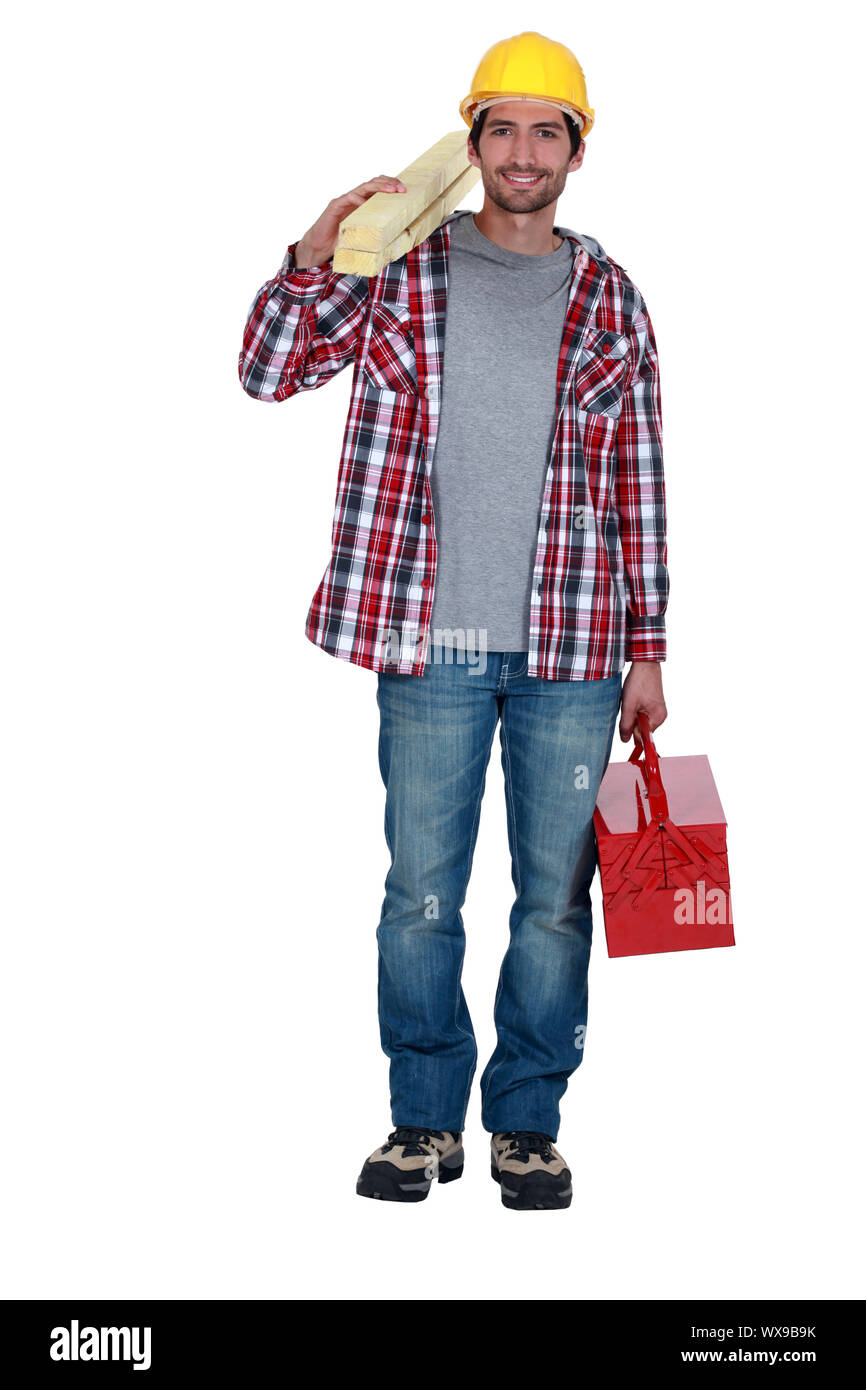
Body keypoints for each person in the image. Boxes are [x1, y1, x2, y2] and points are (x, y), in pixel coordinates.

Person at [238, 30, 669, 1211]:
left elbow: (636, 475)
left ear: (576, 153)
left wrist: (650, 646)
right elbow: (268, 371)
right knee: (419, 888)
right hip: (424, 640)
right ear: (468, 141)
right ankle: (421, 1119)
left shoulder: (606, 296)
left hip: (573, 651)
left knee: (550, 898)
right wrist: (314, 249)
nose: (521, 153)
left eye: (546, 131)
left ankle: (526, 1124)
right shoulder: (400, 272)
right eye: (501, 128)